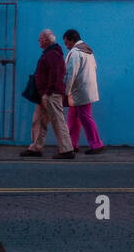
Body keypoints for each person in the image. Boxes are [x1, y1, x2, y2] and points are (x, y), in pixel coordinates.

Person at [20, 29, 76, 158]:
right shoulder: (49, 53)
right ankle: (35, 148)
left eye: (40, 38)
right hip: (44, 94)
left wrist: (48, 92)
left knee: (58, 121)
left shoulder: (53, 55)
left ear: (46, 40)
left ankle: (67, 150)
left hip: (51, 94)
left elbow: (56, 75)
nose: (39, 41)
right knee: (38, 120)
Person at [63, 28, 105, 153]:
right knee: (74, 116)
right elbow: (94, 67)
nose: (66, 46)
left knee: (84, 117)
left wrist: (65, 91)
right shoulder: (88, 51)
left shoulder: (75, 53)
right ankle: (71, 144)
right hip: (86, 89)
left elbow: (71, 74)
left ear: (71, 40)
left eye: (66, 43)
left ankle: (96, 144)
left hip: (79, 91)